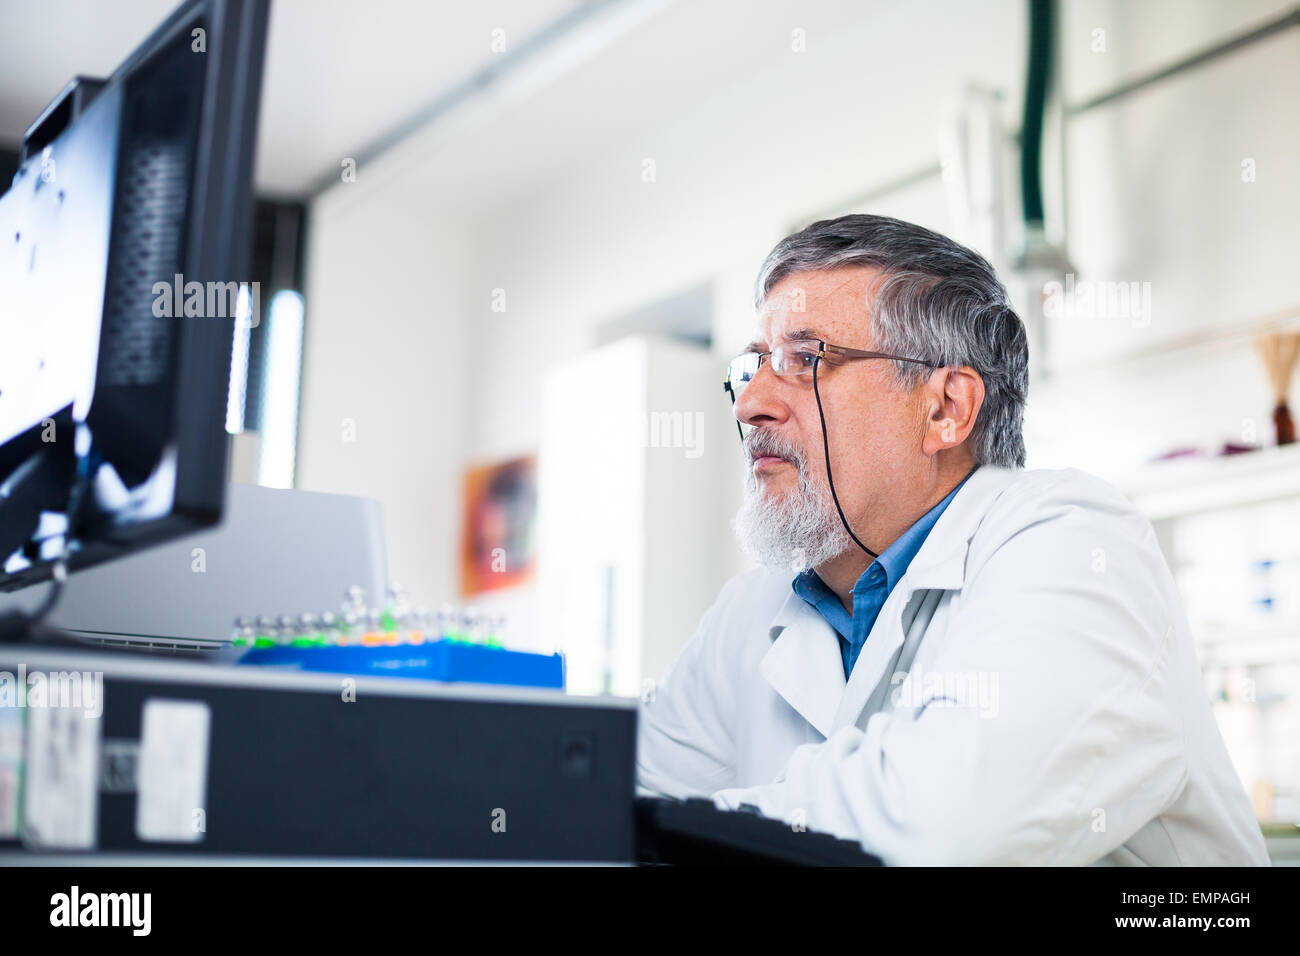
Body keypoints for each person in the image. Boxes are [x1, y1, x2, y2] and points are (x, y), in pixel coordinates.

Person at [635, 214, 1269, 866]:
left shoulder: (1075, 541)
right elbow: (606, 817)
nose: (750, 404)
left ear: (945, 409)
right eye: (756, 364)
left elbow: (948, 829)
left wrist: (690, 831)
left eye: (804, 360)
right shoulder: (752, 611)